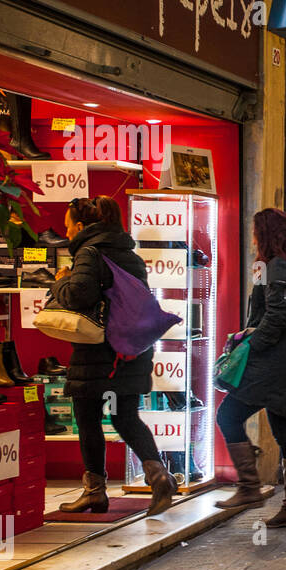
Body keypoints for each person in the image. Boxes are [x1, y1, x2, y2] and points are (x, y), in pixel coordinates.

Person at [49, 197, 175, 516]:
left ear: (80, 227)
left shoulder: (89, 254)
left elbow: (79, 296)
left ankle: (94, 492)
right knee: (124, 416)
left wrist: (62, 280)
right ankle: (158, 475)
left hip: (99, 357)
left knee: (89, 418)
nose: (66, 231)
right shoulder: (128, 254)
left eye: (67, 226)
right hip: (128, 353)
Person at [215, 208, 286, 526]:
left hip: (273, 365)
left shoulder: (278, 266)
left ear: (267, 234)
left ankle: (248, 487)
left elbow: (275, 318)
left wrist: (249, 345)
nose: (254, 238)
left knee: (228, 416)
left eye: (257, 232)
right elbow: (265, 310)